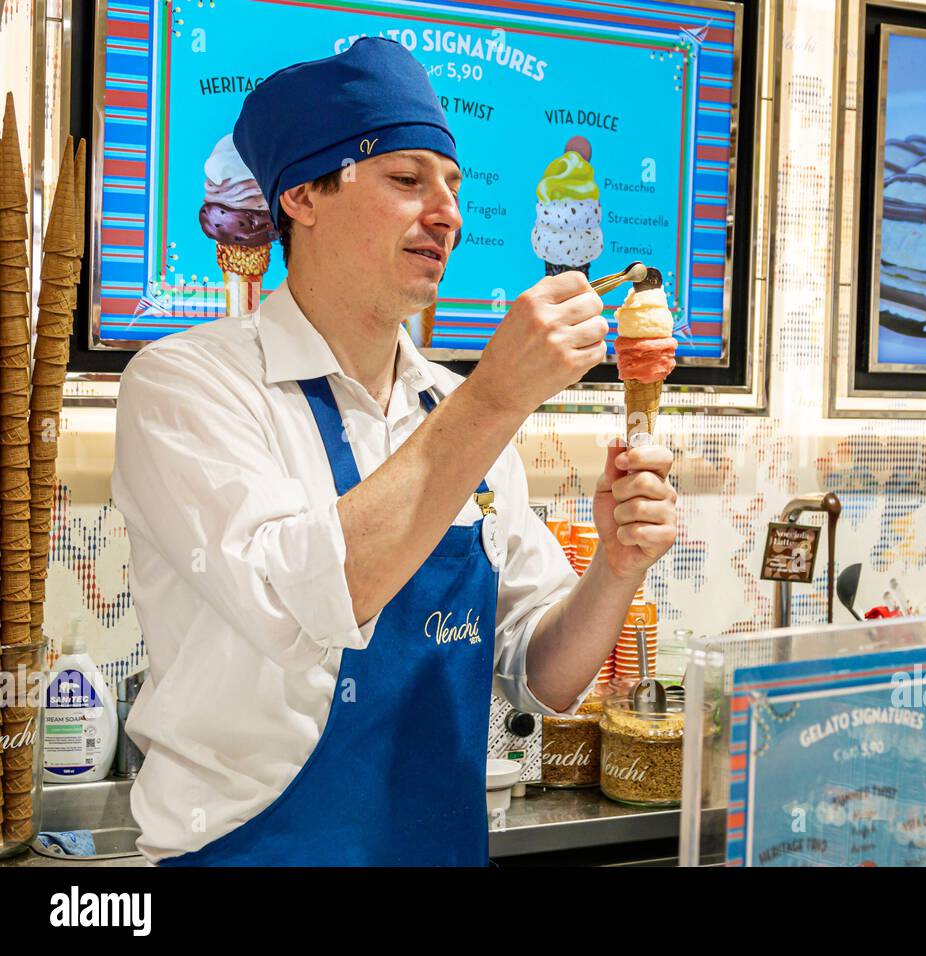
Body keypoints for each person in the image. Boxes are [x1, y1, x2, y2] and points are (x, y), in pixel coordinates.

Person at [110, 37, 677, 866]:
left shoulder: (449, 409)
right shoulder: (188, 387)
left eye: (453, 185)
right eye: (407, 180)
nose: (446, 212)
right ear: (302, 194)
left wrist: (618, 567)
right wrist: (494, 397)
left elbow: (547, 677)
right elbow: (306, 600)